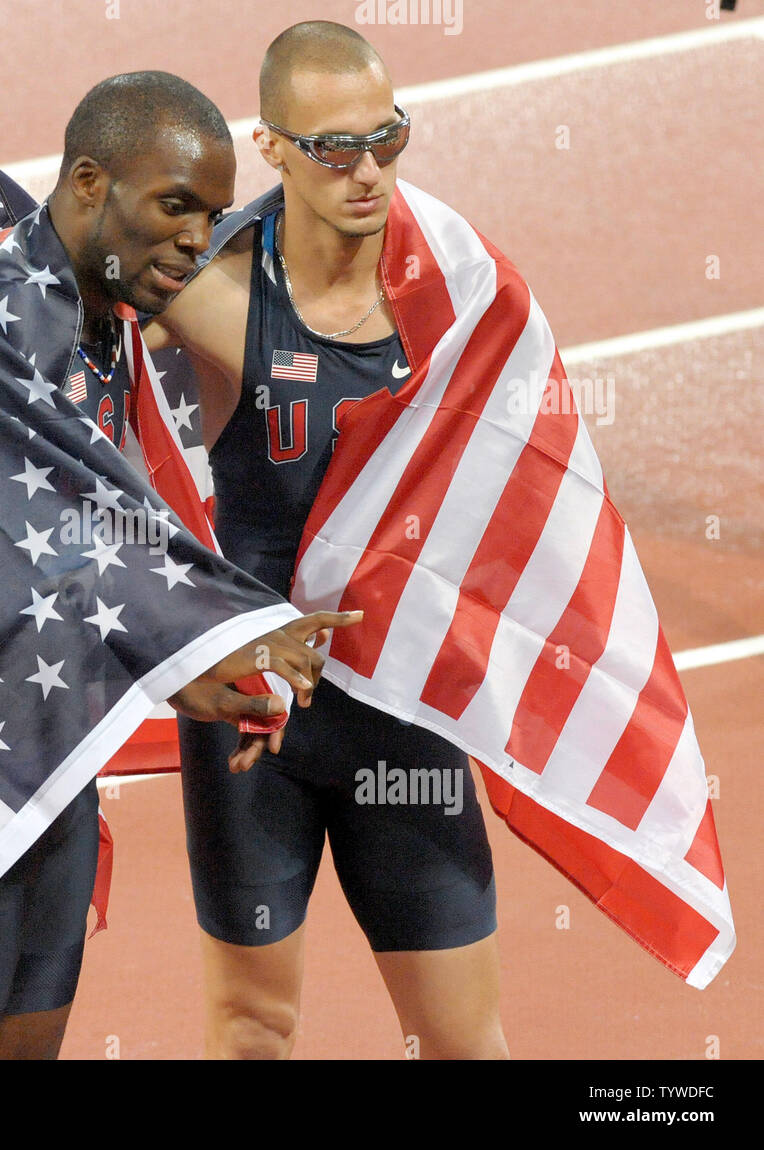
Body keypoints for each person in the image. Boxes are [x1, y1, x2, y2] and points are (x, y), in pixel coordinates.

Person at [0, 71, 360, 1061]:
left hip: (51, 761)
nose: (193, 240)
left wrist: (194, 664)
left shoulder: (102, 321)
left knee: (30, 1044)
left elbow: (85, 535)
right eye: (171, 206)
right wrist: (204, 634)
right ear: (88, 183)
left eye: (208, 216)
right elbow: (6, 539)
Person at [140, 24, 510, 1059]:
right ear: (270, 148)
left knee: (462, 1039)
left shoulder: (454, 285)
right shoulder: (208, 294)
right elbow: (59, 332)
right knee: (253, 1028)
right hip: (255, 715)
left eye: (385, 138)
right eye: (331, 148)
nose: (365, 170)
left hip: (401, 707)